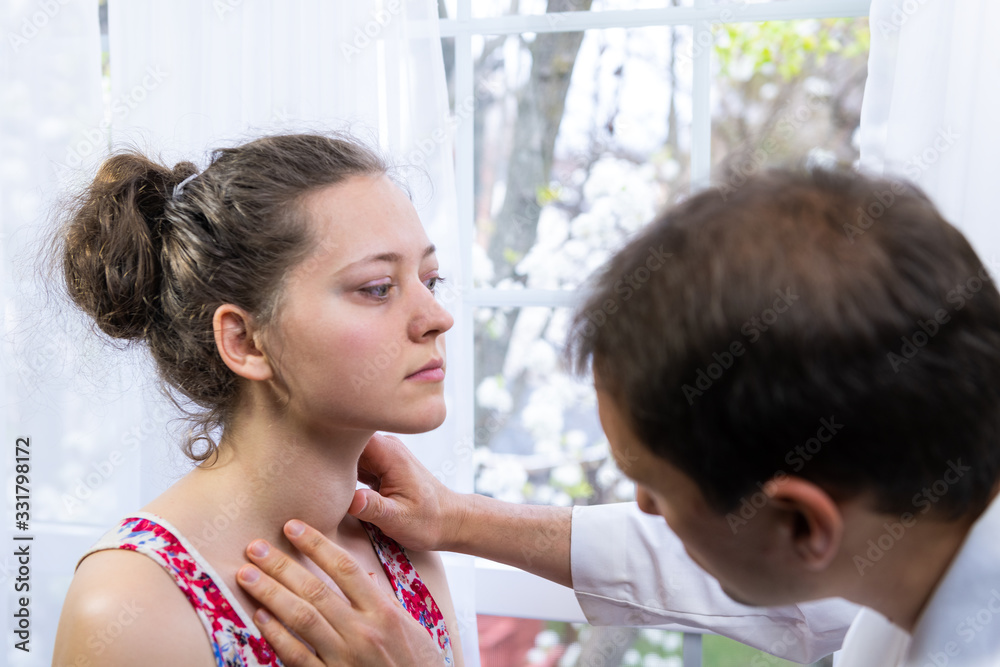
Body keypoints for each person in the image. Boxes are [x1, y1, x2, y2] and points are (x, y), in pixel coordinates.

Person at [240, 167, 1000, 667]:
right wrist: (459, 520)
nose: (436, 316)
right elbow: (765, 575)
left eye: (655, 488)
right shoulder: (916, 528)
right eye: (377, 286)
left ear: (802, 525)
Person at [49, 133, 464, 666]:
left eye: (432, 279)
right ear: (245, 341)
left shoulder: (403, 555)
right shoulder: (133, 605)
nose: (438, 317)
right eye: (378, 287)